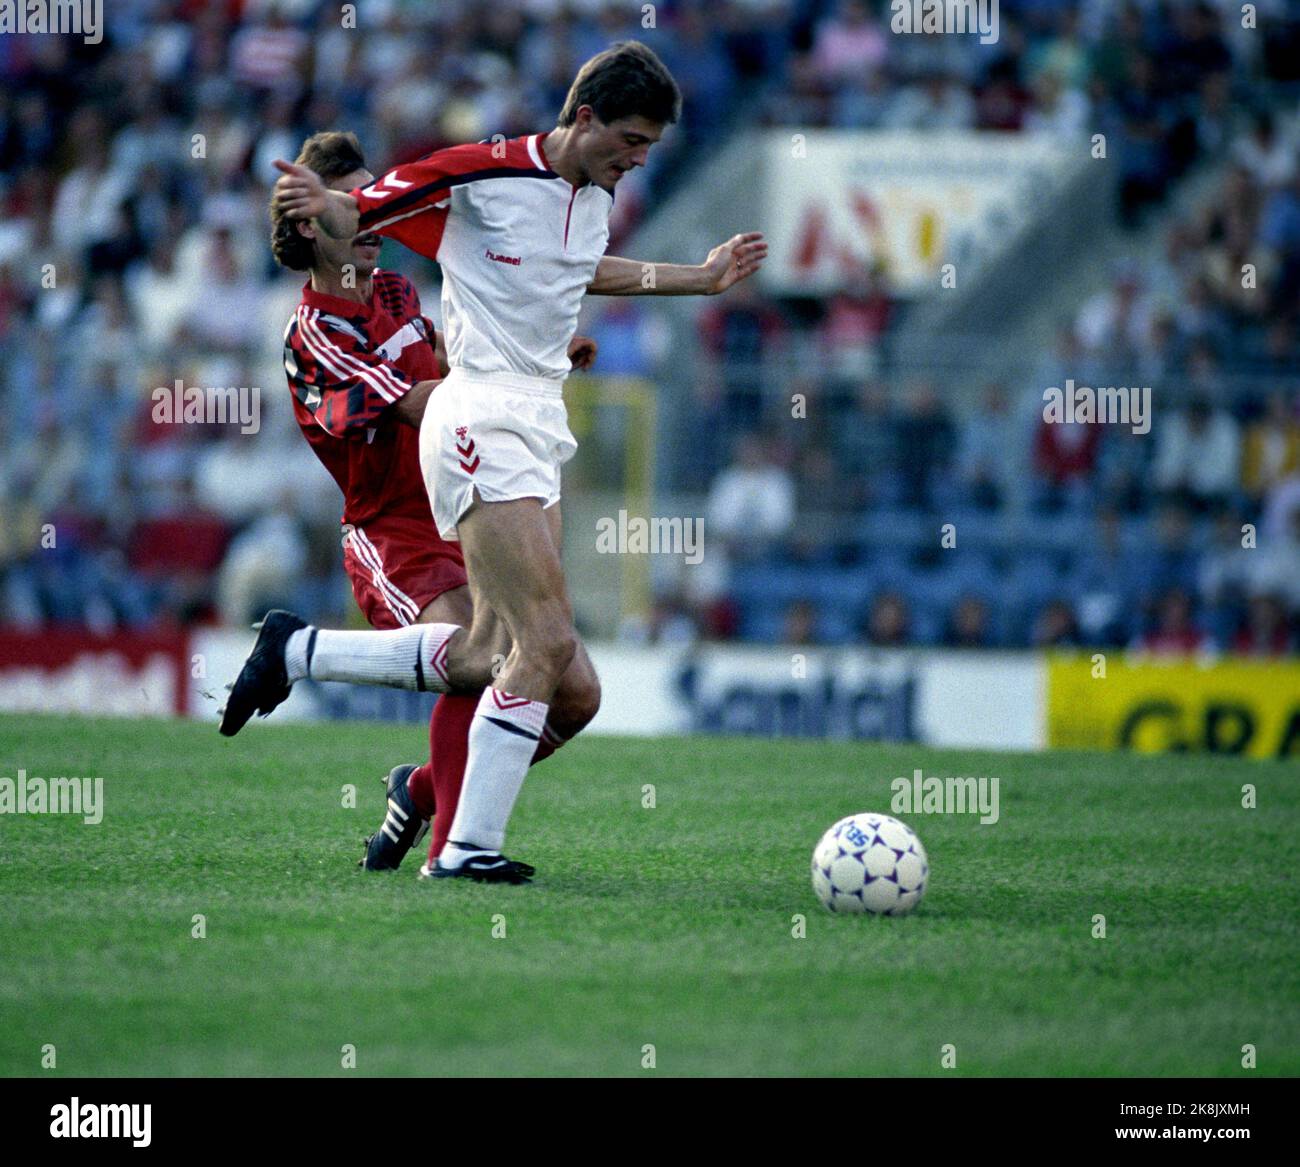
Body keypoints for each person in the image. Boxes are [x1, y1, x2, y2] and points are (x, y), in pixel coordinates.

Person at [233, 42, 767, 882]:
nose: (637, 159)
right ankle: (463, 849)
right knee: (543, 642)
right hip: (474, 419)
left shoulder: (590, 194)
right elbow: (367, 212)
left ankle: (307, 664)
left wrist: (694, 281)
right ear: (583, 117)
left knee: (529, 669)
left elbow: (579, 269)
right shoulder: (480, 175)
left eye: (649, 149)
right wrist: (326, 203)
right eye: (630, 140)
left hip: (535, 418)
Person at [224, 130, 601, 879]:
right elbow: (421, 402)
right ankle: (454, 853)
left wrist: (542, 358)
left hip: (460, 505)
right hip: (390, 532)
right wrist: (518, 384)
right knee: (489, 655)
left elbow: (454, 364)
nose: (377, 217)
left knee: (577, 694)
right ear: (313, 225)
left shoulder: (397, 292)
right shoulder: (314, 334)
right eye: (356, 206)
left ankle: (422, 790)